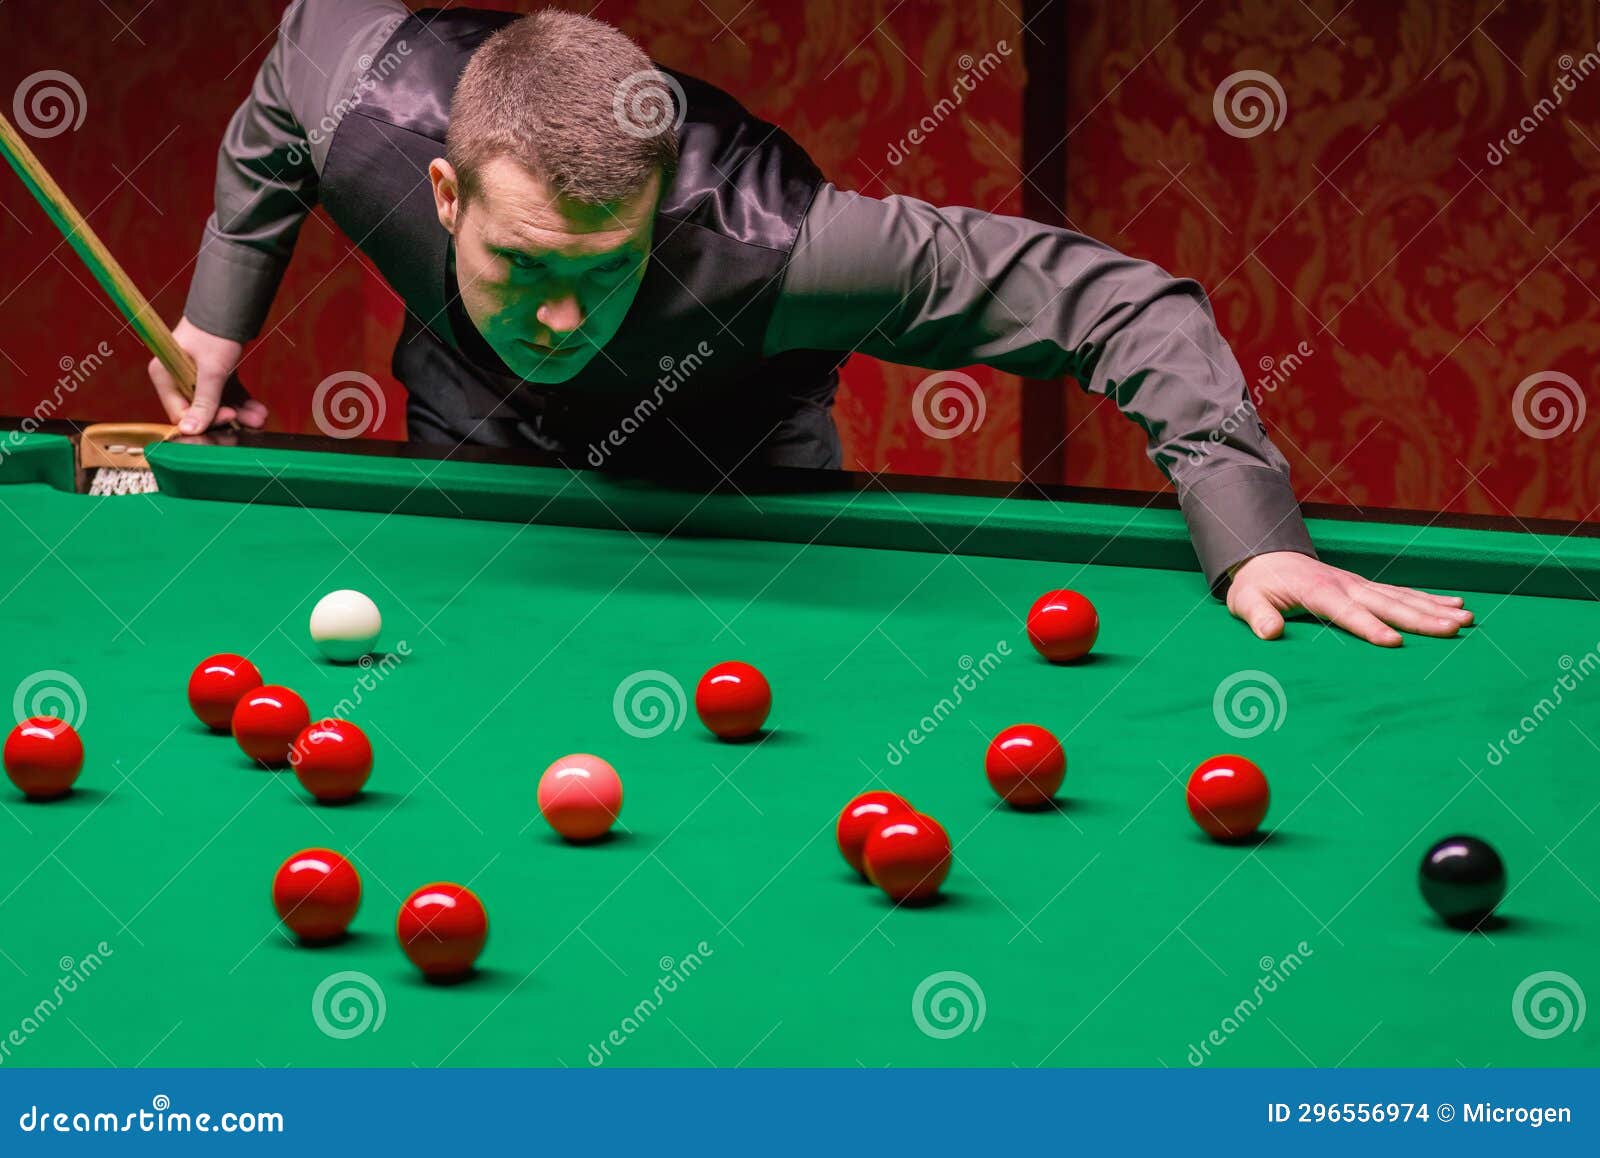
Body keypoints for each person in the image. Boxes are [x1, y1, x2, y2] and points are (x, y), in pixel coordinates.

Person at [150, 1, 1473, 646]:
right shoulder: (364, 106)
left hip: (738, 478)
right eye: (521, 264)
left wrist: (1252, 537)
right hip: (473, 434)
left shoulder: (784, 249)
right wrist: (216, 336)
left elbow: (1120, 301)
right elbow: (281, 96)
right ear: (444, 192)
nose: (559, 316)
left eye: (602, 270)